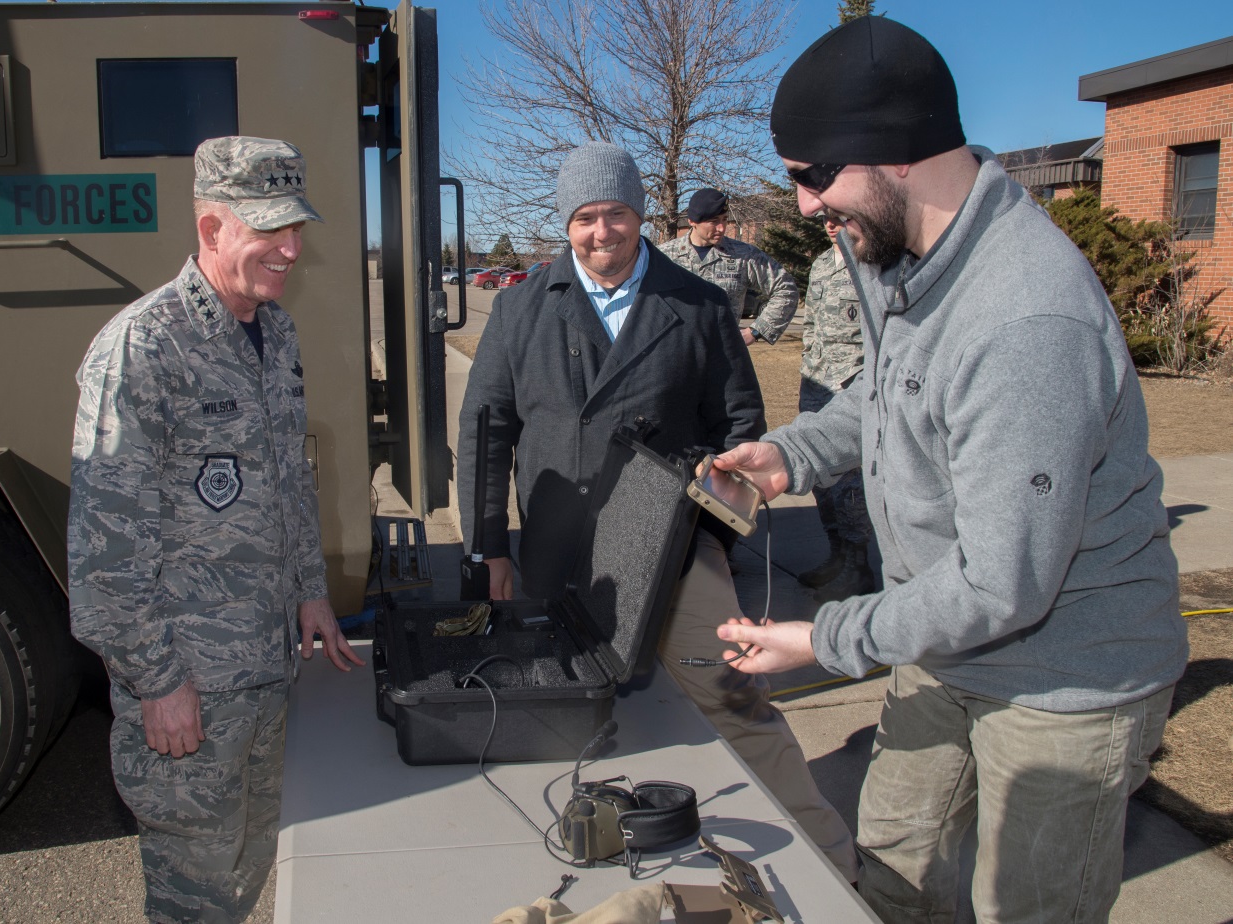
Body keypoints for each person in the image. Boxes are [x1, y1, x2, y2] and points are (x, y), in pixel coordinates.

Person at [711, 17, 1187, 923]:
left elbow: (1003, 582)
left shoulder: (1026, 320)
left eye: (815, 174)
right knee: (895, 871)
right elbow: (889, 390)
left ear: (895, 149)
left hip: (1065, 682)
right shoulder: (906, 255)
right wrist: (791, 454)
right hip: (942, 645)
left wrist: (823, 639)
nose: (805, 206)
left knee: (1026, 909)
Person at [457, 141, 858, 881]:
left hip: (673, 552)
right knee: (558, 716)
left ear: (641, 215)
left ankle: (837, 867)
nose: (601, 232)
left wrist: (714, 531)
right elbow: (487, 432)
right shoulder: (520, 308)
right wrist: (489, 549)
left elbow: (738, 423)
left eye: (615, 213)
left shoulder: (699, 304)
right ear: (566, 223)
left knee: (737, 701)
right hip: (554, 550)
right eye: (584, 217)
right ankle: (579, 870)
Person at [68, 136, 363, 924]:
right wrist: (157, 681)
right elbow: (104, 552)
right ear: (211, 228)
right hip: (190, 682)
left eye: (297, 228)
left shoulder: (275, 334)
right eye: (271, 229)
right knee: (195, 895)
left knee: (249, 867)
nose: (292, 250)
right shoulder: (143, 347)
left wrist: (310, 591)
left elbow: (290, 479)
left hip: (264, 666)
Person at [796, 212, 874, 601]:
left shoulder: (872, 261)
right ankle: (837, 556)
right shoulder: (823, 263)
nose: (829, 224)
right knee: (820, 476)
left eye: (837, 217)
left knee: (849, 481)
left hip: (852, 384)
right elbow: (811, 323)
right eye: (824, 219)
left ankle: (858, 569)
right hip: (817, 382)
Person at [658, 187, 799, 346]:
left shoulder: (744, 255)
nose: (721, 227)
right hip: (675, 351)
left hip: (723, 353)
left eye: (724, 219)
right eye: (713, 221)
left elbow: (786, 289)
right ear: (692, 221)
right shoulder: (664, 256)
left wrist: (756, 331)